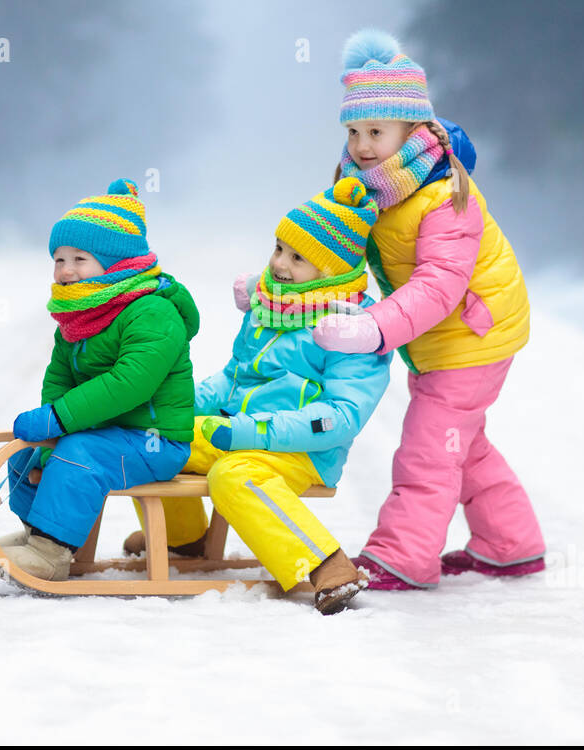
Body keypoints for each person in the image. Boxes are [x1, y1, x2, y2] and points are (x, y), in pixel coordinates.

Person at [311, 28, 546, 589]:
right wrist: (274, 288)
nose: (363, 144)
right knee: (459, 442)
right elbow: (328, 250)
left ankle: (402, 556)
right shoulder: (371, 189)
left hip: (472, 334)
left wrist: (373, 327)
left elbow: (439, 284)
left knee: (428, 448)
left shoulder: (444, 196)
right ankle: (510, 545)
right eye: (354, 130)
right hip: (441, 340)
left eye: (377, 131)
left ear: (413, 130)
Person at [125, 177, 392, 614]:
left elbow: (342, 416)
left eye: (298, 257)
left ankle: (326, 564)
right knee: (149, 434)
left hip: (301, 451)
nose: (280, 264)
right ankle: (182, 536)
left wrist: (252, 431)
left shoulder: (349, 332)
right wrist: (172, 405)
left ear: (332, 269)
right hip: (234, 432)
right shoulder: (268, 309)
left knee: (234, 474)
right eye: (279, 249)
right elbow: (232, 379)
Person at [0, 178, 198, 582]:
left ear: (115, 264)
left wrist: (61, 419)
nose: (66, 270)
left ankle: (52, 550)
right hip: (108, 433)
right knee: (27, 449)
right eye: (59, 260)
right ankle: (35, 535)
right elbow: (58, 377)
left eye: (80, 259)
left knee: (80, 450)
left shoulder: (152, 312)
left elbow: (131, 382)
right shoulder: (79, 317)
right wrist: (48, 435)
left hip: (155, 440)